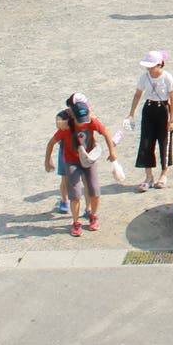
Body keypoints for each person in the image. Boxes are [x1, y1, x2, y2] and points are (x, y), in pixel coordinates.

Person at [45, 92, 115, 237]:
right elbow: (51, 142)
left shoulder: (92, 122)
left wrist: (112, 152)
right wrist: (48, 160)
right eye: (80, 120)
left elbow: (106, 133)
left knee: (94, 190)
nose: (83, 123)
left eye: (85, 119)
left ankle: (93, 216)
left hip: (89, 159)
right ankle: (76, 222)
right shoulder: (66, 128)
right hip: (72, 161)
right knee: (75, 194)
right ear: (73, 116)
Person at [126, 50, 173, 191]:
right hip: (149, 109)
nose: (149, 69)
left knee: (164, 142)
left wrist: (172, 119)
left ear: (159, 64)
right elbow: (138, 95)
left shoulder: (167, 77)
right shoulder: (144, 77)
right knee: (146, 142)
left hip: (163, 110)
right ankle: (149, 176)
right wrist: (131, 113)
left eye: (151, 66)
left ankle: (164, 174)